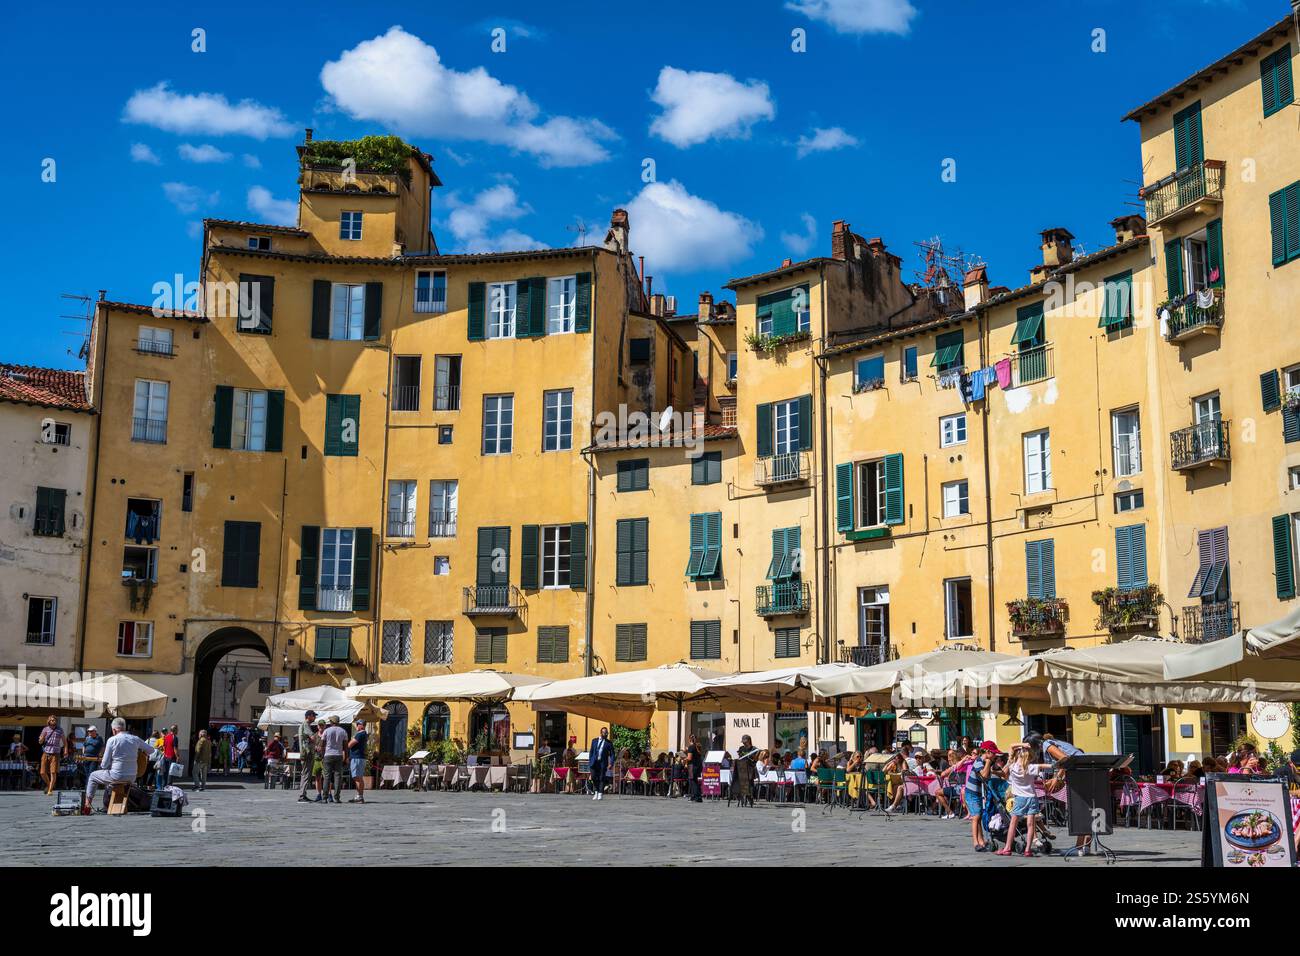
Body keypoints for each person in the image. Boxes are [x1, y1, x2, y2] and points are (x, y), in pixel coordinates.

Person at [84, 717, 153, 812]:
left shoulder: (112, 740)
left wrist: (106, 762)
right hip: (132, 776)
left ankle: (87, 805)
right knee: (110, 778)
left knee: (92, 776)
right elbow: (151, 750)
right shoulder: (135, 739)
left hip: (117, 776)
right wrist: (141, 754)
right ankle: (109, 803)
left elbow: (104, 765)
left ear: (114, 730)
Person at [996, 743, 1048, 857]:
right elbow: (1044, 766)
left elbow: (1011, 747)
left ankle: (1007, 848)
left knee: (1013, 824)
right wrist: (1055, 765)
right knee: (1030, 825)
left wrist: (1022, 744)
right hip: (1032, 798)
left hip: (1020, 799)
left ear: (1017, 755)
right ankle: (1028, 850)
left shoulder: (1013, 766)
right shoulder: (1030, 767)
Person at [965, 741, 999, 852]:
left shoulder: (984, 762)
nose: (995, 756)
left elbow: (987, 777)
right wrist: (988, 763)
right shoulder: (979, 761)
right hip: (971, 793)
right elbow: (984, 776)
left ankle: (981, 840)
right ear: (988, 752)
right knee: (976, 817)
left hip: (977, 793)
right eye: (994, 753)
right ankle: (976, 842)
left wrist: (989, 764)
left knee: (978, 816)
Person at [37, 715, 69, 795]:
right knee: (42, 772)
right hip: (46, 752)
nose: (53, 721)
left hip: (55, 753)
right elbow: (40, 742)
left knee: (53, 772)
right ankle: (49, 784)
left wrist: (65, 750)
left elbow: (65, 742)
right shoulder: (45, 729)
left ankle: (50, 790)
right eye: (51, 720)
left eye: (54, 720)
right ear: (49, 721)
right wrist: (41, 739)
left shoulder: (59, 730)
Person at [320, 715, 348, 804]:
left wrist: (322, 756)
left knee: (327, 777)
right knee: (338, 777)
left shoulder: (326, 731)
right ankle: (336, 797)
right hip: (339, 755)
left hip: (328, 755)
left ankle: (324, 798)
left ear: (332, 722)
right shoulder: (343, 731)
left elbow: (322, 745)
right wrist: (346, 757)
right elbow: (345, 747)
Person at [297, 710, 320, 802]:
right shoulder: (306, 724)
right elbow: (313, 737)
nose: (315, 718)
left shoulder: (303, 725)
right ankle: (302, 795)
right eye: (314, 716)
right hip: (307, 753)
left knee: (304, 774)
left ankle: (303, 794)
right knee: (306, 774)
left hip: (304, 753)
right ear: (309, 716)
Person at [588, 726, 613, 800]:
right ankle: (596, 791)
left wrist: (611, 763)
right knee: (593, 777)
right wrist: (590, 760)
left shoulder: (609, 743)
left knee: (601, 778)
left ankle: (600, 793)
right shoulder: (594, 741)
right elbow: (591, 751)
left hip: (602, 763)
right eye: (604, 733)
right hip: (594, 762)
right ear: (601, 733)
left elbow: (612, 754)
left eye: (606, 733)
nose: (606, 734)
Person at [347, 721, 368, 803]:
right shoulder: (364, 734)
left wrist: (350, 741)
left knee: (357, 777)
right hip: (360, 757)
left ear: (360, 725)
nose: (356, 726)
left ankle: (360, 796)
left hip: (357, 757)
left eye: (357, 725)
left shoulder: (360, 734)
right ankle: (359, 796)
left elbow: (350, 745)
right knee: (359, 777)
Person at [686, 734, 704, 803]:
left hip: (692, 766)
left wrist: (684, 758)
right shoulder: (697, 746)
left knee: (693, 781)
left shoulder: (691, 747)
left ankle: (697, 797)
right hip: (698, 766)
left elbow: (689, 758)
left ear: (689, 739)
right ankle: (694, 796)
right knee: (694, 781)